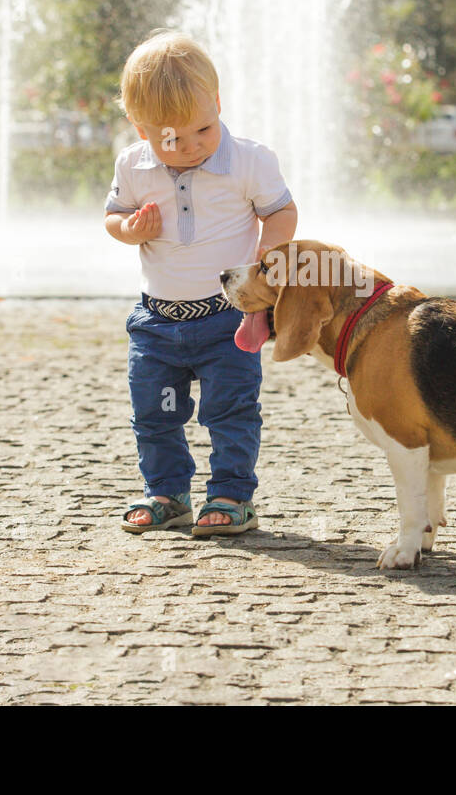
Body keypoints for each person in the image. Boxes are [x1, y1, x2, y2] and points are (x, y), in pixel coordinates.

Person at [105, 29, 298, 535]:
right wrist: (129, 230)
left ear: (217, 103)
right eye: (171, 138)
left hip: (228, 320)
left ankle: (232, 495)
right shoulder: (133, 165)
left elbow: (281, 211)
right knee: (154, 415)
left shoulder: (250, 160)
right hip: (156, 321)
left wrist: (269, 252)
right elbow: (113, 217)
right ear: (140, 127)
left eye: (203, 131)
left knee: (230, 412)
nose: (190, 148)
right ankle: (167, 494)